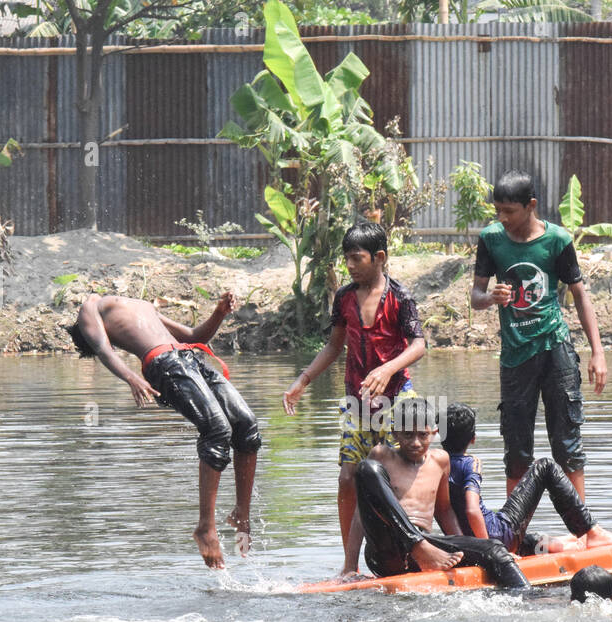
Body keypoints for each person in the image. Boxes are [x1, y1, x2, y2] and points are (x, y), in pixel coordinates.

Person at [66, 292, 260, 569]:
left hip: (189, 358)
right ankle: (206, 527)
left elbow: (195, 335)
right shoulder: (90, 307)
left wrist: (218, 313)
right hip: (164, 365)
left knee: (246, 425)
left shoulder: (141, 305)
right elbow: (102, 348)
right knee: (216, 430)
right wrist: (131, 377)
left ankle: (242, 512)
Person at [281, 222, 426, 559]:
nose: (349, 265)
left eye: (356, 259)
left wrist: (387, 367)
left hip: (396, 398)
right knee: (348, 477)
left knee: (399, 476)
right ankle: (350, 564)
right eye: (346, 259)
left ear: (379, 257)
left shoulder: (400, 297)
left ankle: (406, 550)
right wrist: (302, 381)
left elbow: (419, 345)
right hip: (356, 402)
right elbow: (333, 347)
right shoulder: (344, 297)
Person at [469, 170, 607, 500]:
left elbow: (579, 294)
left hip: (554, 347)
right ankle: (514, 533)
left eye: (509, 211)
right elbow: (475, 296)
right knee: (516, 450)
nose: (502, 218)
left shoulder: (557, 240)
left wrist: (597, 352)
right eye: (497, 211)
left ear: (530, 205)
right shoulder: (491, 239)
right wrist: (491, 298)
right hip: (515, 356)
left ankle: (581, 531)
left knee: (567, 443)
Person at [341, 398, 530, 590]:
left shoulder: (440, 460)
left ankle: (528, 598)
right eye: (407, 435)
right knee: (367, 468)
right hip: (386, 549)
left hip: (427, 549)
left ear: (434, 433)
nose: (415, 442)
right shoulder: (382, 455)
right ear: (395, 434)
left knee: (495, 549)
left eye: (422, 435)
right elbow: (360, 513)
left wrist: (469, 547)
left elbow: (444, 511)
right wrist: (349, 568)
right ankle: (417, 545)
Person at [442, 402, 612, 555]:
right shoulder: (470, 463)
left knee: (537, 541)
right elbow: (473, 510)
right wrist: (491, 551)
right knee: (546, 466)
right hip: (497, 536)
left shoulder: (436, 467)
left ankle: (568, 544)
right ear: (473, 438)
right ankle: (592, 532)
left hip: (475, 539)